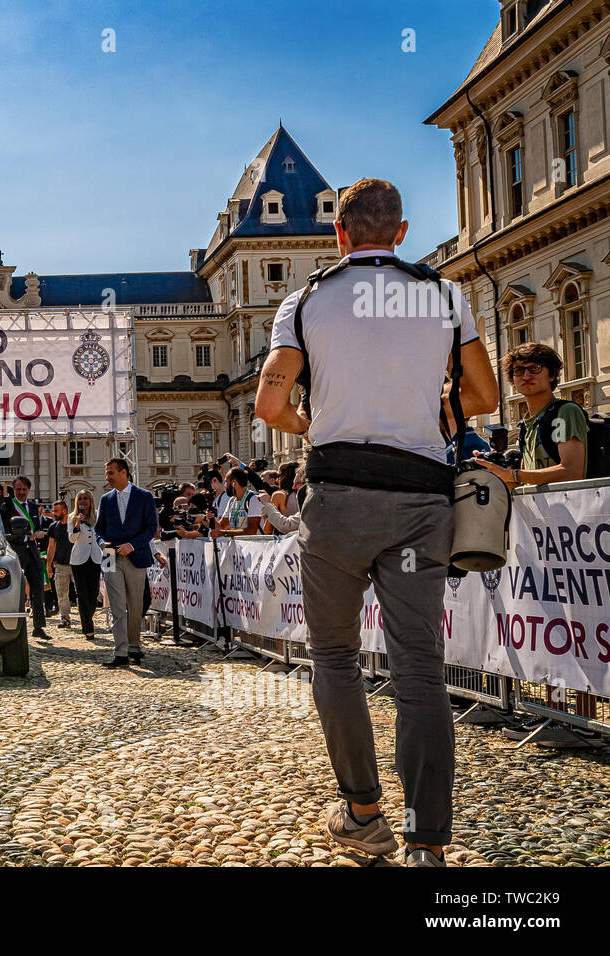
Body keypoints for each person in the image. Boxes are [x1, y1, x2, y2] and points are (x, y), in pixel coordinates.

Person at [254, 177, 499, 867]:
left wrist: (311, 423)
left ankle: (362, 811)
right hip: (420, 499)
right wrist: (440, 409)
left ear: (338, 232)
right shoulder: (443, 295)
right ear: (401, 232)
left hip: (338, 498)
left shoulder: (304, 301)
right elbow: (482, 393)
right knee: (418, 663)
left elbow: (270, 407)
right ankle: (428, 840)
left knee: (333, 657)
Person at [472, 342, 587, 488]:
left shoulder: (565, 412)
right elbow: (526, 482)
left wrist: (512, 474)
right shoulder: (527, 423)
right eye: (519, 370)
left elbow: (572, 473)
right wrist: (488, 472)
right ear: (513, 380)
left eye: (535, 368)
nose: (526, 375)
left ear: (551, 375)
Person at [95, 457, 158, 667]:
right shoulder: (105, 499)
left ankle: (134, 646)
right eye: (107, 473)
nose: (107, 477)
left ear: (124, 473)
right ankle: (120, 652)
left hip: (137, 556)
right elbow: (98, 529)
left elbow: (151, 528)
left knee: (135, 604)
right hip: (110, 558)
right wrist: (103, 543)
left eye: (111, 473)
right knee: (117, 605)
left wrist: (133, 544)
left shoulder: (144, 496)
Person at [1, 476, 49, 639]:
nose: (21, 492)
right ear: (14, 490)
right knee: (17, 592)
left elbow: (39, 528)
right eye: (18, 489)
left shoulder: (35, 507)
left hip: (33, 554)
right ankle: (18, 629)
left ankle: (39, 627)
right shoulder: (8, 507)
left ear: (29, 490)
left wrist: (40, 533)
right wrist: (29, 537)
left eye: (24, 489)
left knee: (38, 591)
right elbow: (7, 532)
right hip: (16, 553)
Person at [66, 490, 105, 638]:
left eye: (86, 498)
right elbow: (71, 539)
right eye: (80, 499)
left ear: (90, 500)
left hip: (95, 558)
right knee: (81, 594)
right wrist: (77, 524)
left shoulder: (97, 516)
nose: (83, 501)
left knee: (93, 594)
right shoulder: (72, 517)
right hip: (78, 559)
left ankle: (87, 618)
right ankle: (88, 628)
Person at [44, 499, 73, 627]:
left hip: (77, 563)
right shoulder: (53, 527)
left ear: (64, 511)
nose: (53, 513)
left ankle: (86, 619)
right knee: (61, 593)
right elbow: (51, 547)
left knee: (82, 593)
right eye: (53, 510)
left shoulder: (74, 525)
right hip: (61, 564)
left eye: (56, 510)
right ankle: (65, 619)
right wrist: (48, 564)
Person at [213, 467, 262, 537]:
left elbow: (251, 531)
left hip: (253, 547)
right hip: (238, 547)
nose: (225, 485)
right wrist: (209, 517)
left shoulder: (253, 499)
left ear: (234, 483)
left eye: (226, 482)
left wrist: (224, 533)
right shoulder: (232, 501)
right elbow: (221, 526)